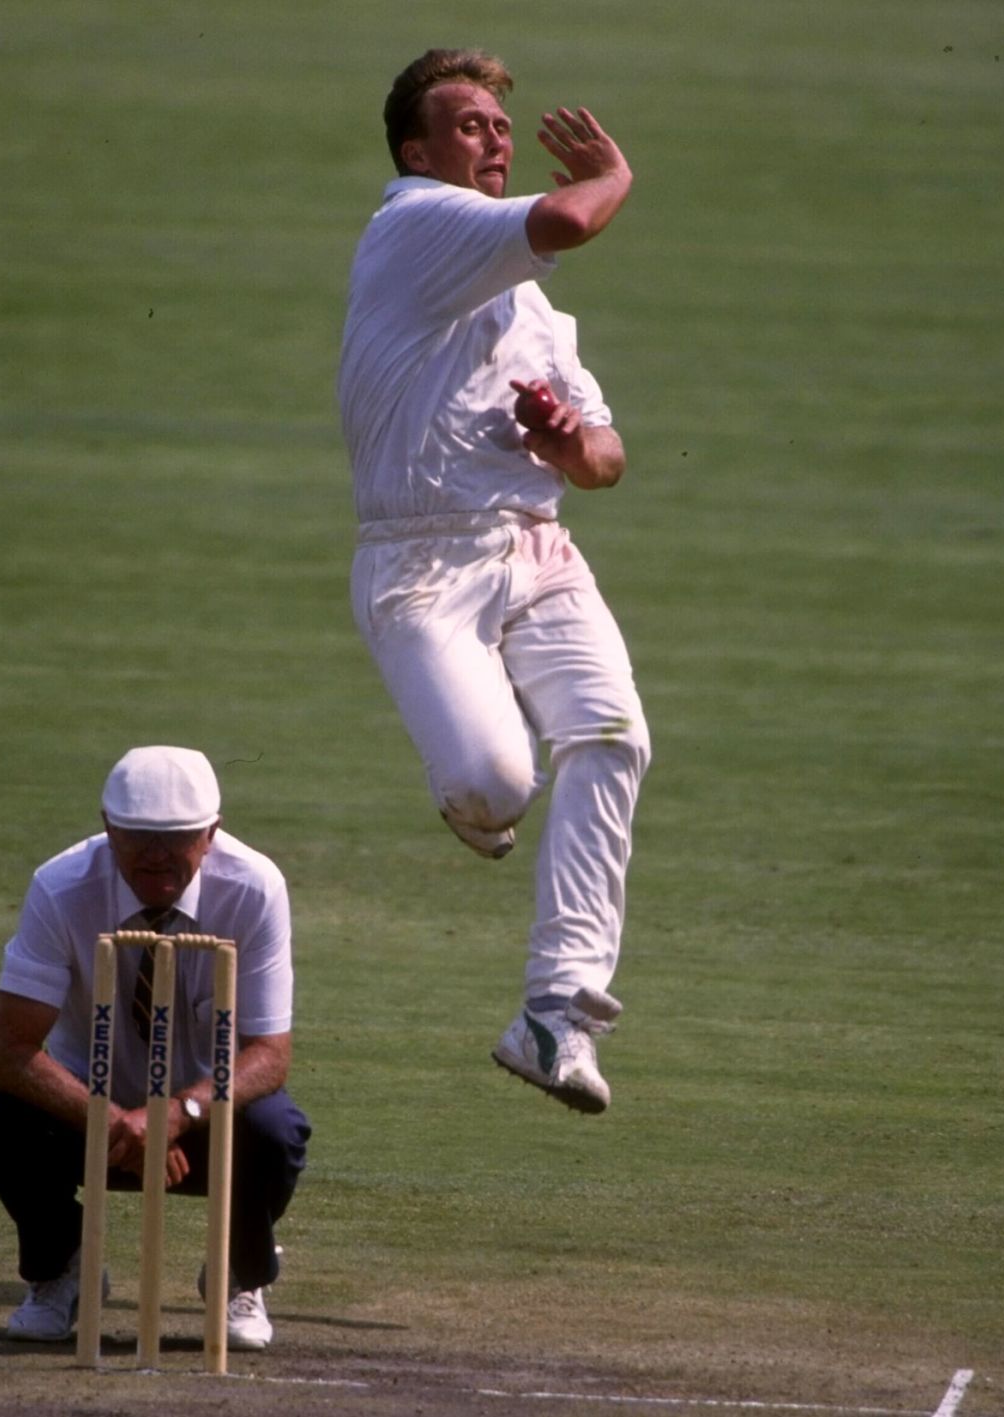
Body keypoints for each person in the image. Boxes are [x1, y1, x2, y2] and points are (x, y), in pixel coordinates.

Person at [338, 49, 651, 1115]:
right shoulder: (414, 224)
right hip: (421, 563)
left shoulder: (535, 311)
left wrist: (570, 446)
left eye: (499, 126)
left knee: (613, 735)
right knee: (496, 784)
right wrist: (614, 177)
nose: (495, 139)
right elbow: (569, 219)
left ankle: (557, 1011)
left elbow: (607, 458)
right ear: (416, 152)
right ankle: (471, 787)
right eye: (468, 125)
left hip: (538, 547)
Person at [0, 745, 310, 1351]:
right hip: (89, 1115)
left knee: (275, 1128)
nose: (156, 854)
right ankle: (59, 1273)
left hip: (204, 1121)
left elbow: (270, 1054)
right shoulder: (59, 887)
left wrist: (176, 1114)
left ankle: (239, 1272)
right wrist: (116, 1121)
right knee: (5, 1120)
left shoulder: (255, 888)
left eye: (176, 837)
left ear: (210, 834)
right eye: (137, 836)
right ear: (107, 826)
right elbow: (9, 1051)